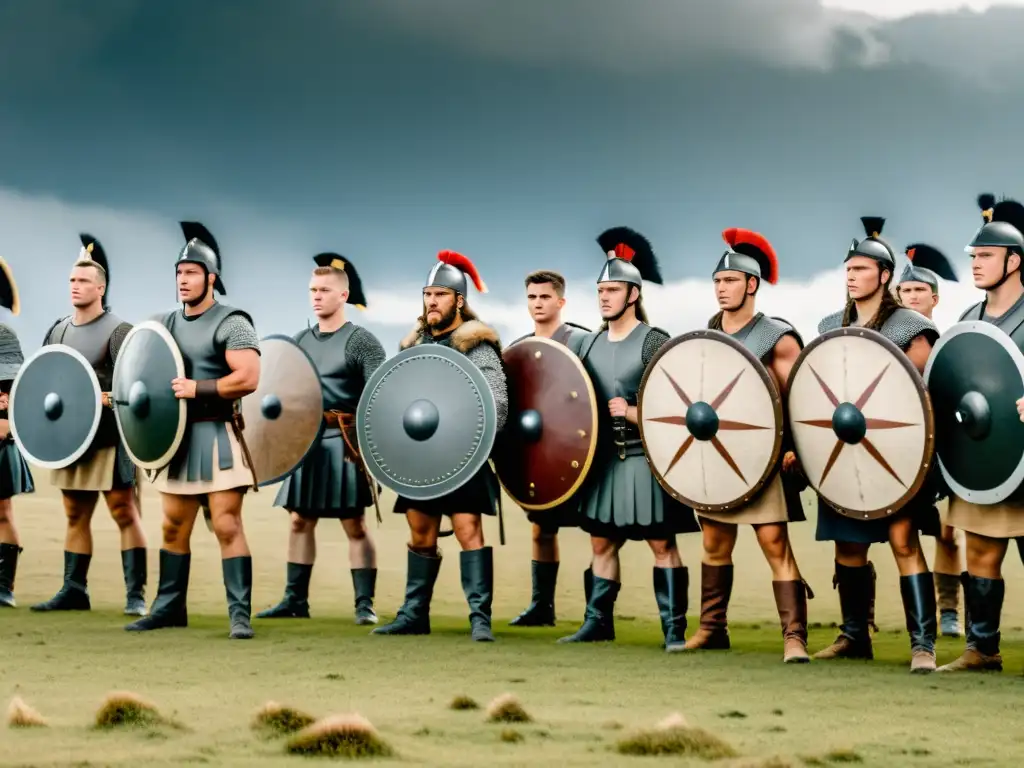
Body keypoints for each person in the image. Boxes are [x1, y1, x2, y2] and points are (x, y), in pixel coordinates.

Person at [558, 227, 700, 651]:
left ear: (633, 294)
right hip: (601, 463)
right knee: (600, 542)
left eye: (613, 289)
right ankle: (597, 622)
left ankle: (674, 630)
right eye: (601, 290)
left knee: (661, 543)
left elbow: (684, 406)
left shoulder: (654, 341)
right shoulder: (589, 343)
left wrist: (634, 412)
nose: (604, 297)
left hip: (644, 460)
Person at [811, 217, 941, 673]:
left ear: (884, 276)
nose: (851, 275)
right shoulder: (830, 324)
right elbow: (816, 386)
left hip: (895, 454)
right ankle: (854, 636)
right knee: (848, 547)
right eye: (848, 268)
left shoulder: (910, 325)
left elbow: (921, 395)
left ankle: (923, 644)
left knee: (904, 540)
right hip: (844, 451)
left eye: (861, 268)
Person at [125, 222, 261, 639]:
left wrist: (197, 388)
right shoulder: (164, 324)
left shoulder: (232, 321)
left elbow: (249, 376)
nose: (183, 281)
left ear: (211, 278)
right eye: (179, 273)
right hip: (177, 442)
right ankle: (168, 609)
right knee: (172, 527)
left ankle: (239, 615)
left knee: (226, 525)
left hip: (217, 434)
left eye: (192, 273)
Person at [682, 228, 811, 663]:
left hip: (763, 457)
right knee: (715, 544)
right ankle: (711, 628)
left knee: (775, 544)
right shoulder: (706, 334)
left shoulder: (776, 336)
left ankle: (794, 637)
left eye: (731, 281)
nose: (722, 289)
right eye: (718, 282)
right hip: (716, 455)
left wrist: (795, 451)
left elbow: (800, 399)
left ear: (752, 284)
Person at [372, 250, 507, 642]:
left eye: (441, 295)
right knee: (420, 532)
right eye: (428, 294)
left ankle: (480, 618)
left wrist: (470, 435)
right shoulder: (413, 345)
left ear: (459, 301)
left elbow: (496, 403)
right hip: (422, 456)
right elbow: (398, 397)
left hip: (465, 454)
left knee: (468, 530)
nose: (432, 302)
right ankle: (415, 614)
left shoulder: (477, 345)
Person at [257, 253, 385, 624]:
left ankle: (364, 605)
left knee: (354, 523)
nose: (317, 296)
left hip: (345, 442)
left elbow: (379, 394)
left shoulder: (362, 342)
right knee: (299, 520)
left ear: (343, 296)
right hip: (306, 443)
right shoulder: (299, 340)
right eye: (313, 290)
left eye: (324, 290)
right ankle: (295, 600)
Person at [32, 236, 147, 616]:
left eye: (83, 281)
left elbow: (137, 386)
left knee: (123, 511)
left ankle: (135, 594)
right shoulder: (58, 330)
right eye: (71, 281)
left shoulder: (118, 331)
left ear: (101, 287)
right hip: (71, 438)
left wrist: (107, 397)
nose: (75, 287)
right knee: (74, 513)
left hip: (110, 436)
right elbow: (45, 379)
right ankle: (74, 589)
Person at [939, 194, 1024, 672]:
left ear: (1014, 261)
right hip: (984, 458)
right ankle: (981, 649)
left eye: (986, 256)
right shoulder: (968, 321)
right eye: (974, 256)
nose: (976, 264)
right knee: (981, 553)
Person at [507, 269, 592, 628]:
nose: (538, 303)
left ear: (561, 301)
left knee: (598, 534)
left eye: (544, 297)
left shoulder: (584, 342)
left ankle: (595, 615)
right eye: (532, 297)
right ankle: (543, 607)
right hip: (541, 453)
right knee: (542, 529)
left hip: (581, 451)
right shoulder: (520, 349)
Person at [895, 243, 964, 639]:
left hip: (949, 446)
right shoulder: (890, 336)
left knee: (951, 531)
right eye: (906, 292)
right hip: (909, 449)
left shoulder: (951, 337)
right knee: (912, 533)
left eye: (919, 291)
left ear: (934, 297)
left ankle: (951, 610)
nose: (912, 297)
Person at [0, 259, 33, 608]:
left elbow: (15, 389)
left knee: (2, 513)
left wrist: (6, 423)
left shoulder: (4, 337)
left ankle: (3, 587)